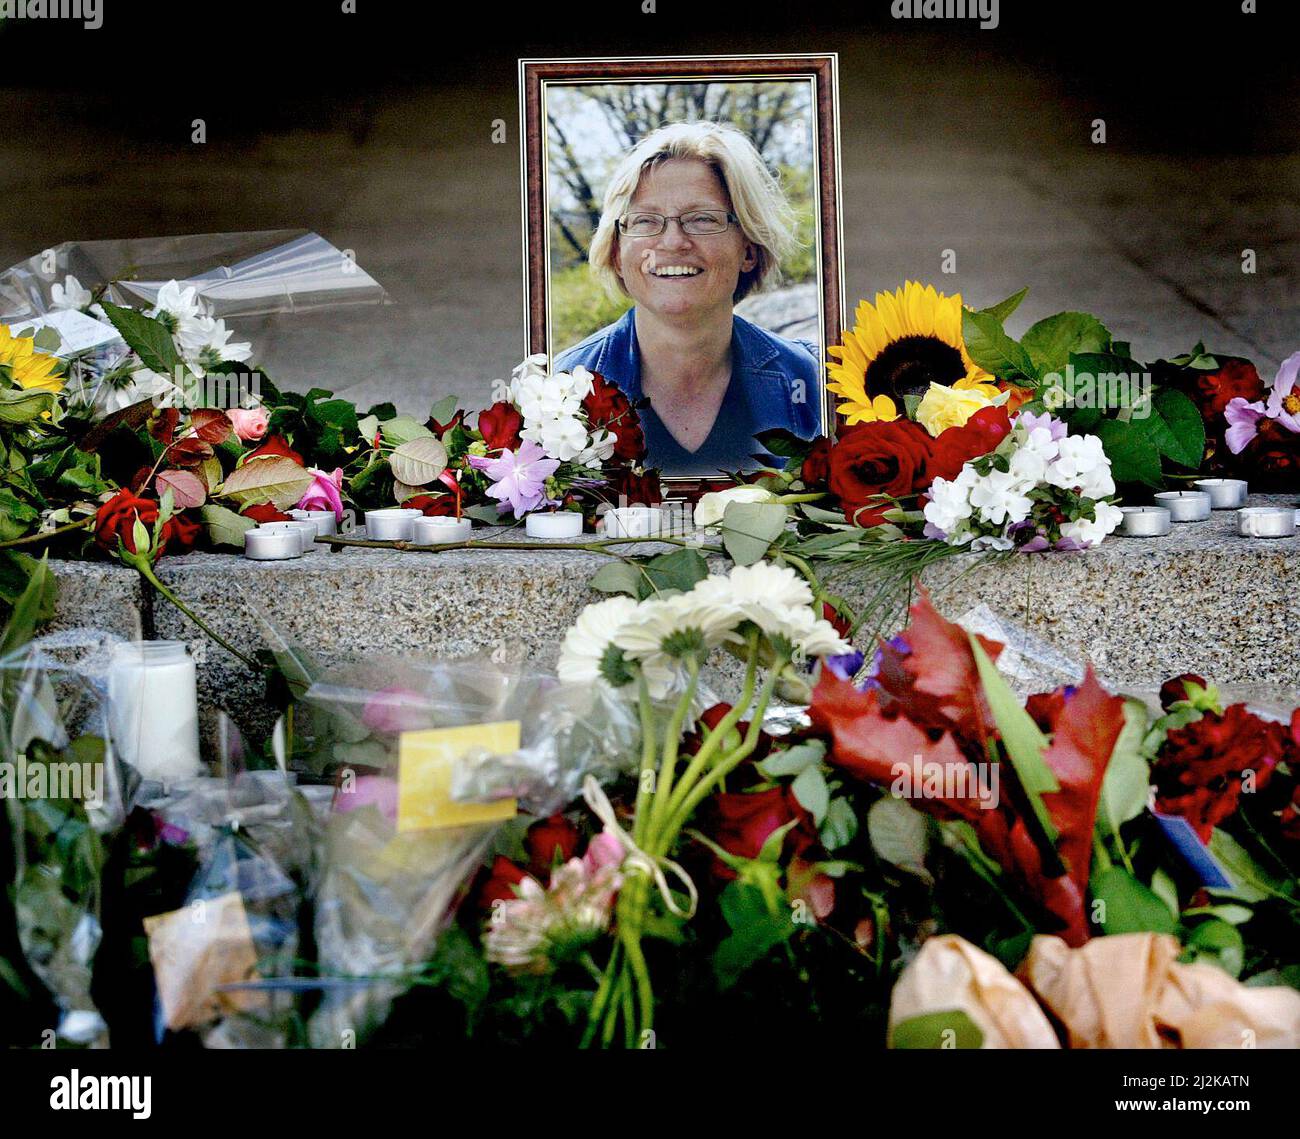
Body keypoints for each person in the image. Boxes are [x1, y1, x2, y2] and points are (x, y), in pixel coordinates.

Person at [554, 121, 821, 475]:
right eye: (646, 221)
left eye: (702, 219)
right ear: (617, 254)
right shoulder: (559, 388)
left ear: (749, 250)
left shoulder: (812, 381)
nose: (672, 242)